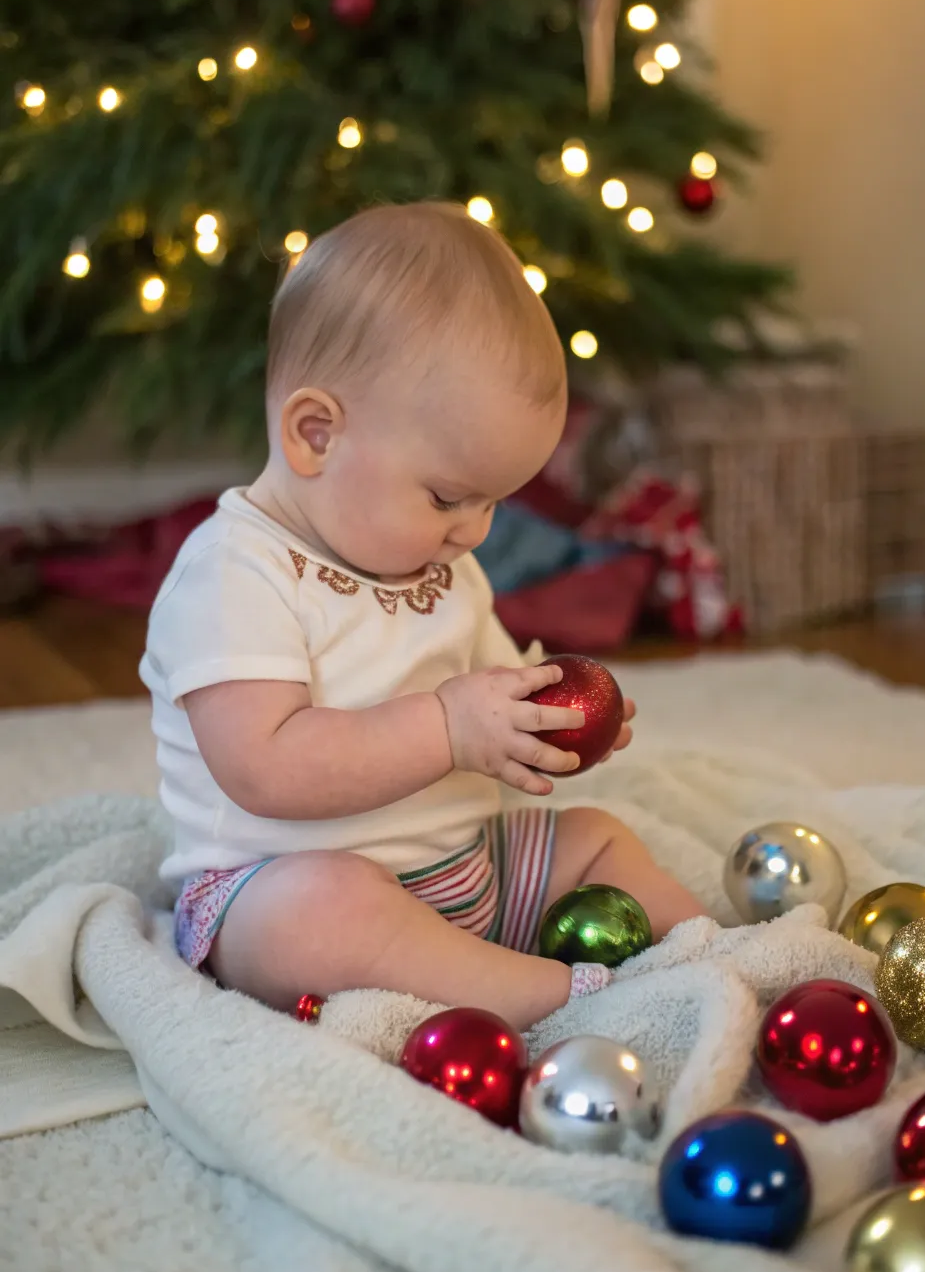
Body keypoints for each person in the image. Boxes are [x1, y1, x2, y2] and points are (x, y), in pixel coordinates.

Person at [141, 202, 705, 1030]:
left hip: (465, 868)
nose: (473, 531)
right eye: (448, 496)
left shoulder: (447, 569)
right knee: (325, 913)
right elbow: (265, 769)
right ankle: (545, 997)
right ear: (315, 434)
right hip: (282, 887)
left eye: (493, 504)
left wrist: (547, 721)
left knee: (598, 837)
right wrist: (446, 728)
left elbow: (495, 693)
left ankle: (708, 953)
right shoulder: (234, 574)